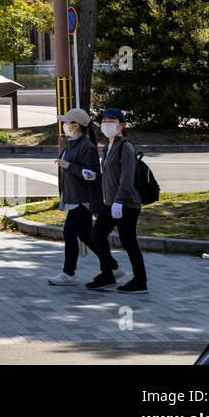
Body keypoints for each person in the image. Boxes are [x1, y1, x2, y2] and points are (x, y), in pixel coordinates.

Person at [48, 108, 113, 285]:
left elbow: (92, 173)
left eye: (66, 123)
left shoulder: (86, 146)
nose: (64, 125)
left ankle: (69, 274)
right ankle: (112, 267)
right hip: (75, 197)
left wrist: (68, 166)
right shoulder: (72, 143)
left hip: (82, 199)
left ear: (75, 126)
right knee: (86, 235)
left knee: (69, 234)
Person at [86, 107, 148, 293]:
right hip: (111, 203)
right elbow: (111, 175)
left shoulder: (126, 146)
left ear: (121, 125)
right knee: (97, 235)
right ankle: (108, 274)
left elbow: (127, 178)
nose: (106, 124)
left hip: (126, 204)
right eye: (104, 121)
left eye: (111, 121)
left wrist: (119, 201)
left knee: (129, 242)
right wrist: (95, 177)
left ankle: (140, 281)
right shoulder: (108, 147)